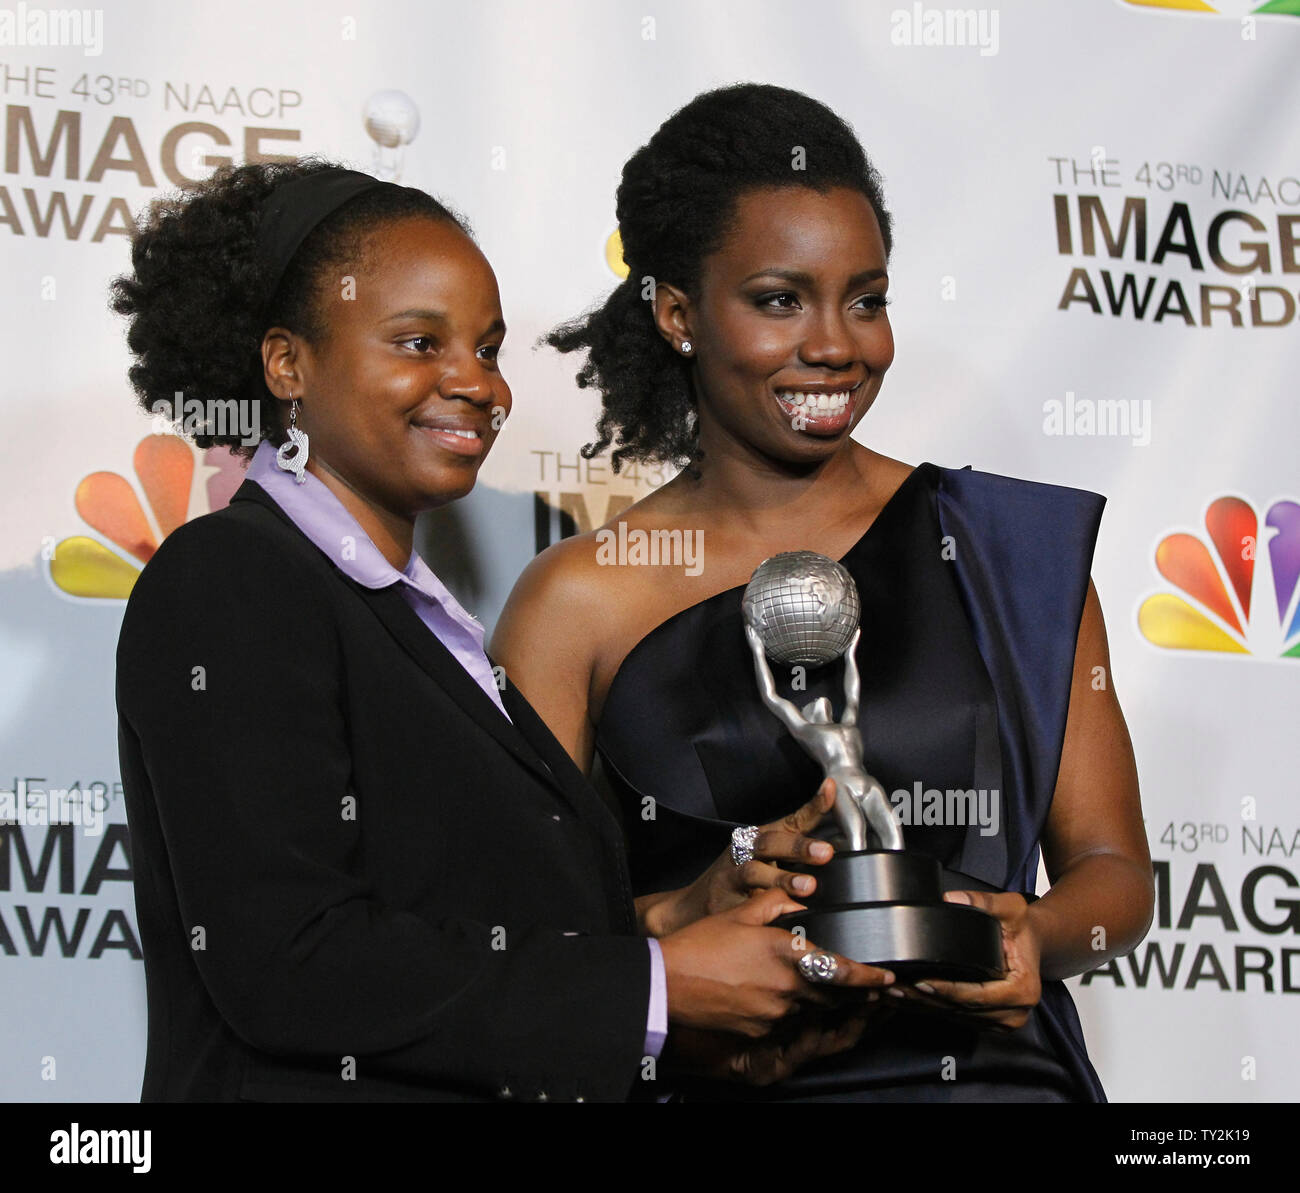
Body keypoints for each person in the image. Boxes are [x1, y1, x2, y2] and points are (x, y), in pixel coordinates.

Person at [109, 158, 893, 1102]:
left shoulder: (424, 625)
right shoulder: (231, 578)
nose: (475, 384)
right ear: (289, 365)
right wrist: (659, 988)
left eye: (486, 349)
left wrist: (683, 915)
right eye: (417, 342)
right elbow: (291, 959)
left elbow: (471, 930)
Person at [491, 84, 1155, 1102]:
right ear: (676, 312)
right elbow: (526, 945)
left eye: (865, 298)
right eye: (778, 299)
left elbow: (1113, 870)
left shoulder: (998, 549)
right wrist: (688, 906)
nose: (837, 345)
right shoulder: (575, 601)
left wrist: (1035, 933)